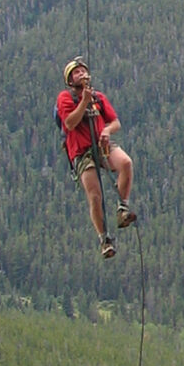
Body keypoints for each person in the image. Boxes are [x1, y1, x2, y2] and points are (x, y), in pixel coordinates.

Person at [56, 57, 136, 259]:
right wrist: (84, 101)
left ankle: (122, 209)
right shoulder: (65, 98)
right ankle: (104, 239)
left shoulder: (98, 97)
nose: (82, 74)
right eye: (77, 72)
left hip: (101, 145)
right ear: (70, 80)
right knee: (95, 195)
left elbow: (115, 122)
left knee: (125, 163)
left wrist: (107, 131)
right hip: (81, 151)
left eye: (83, 71)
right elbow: (70, 123)